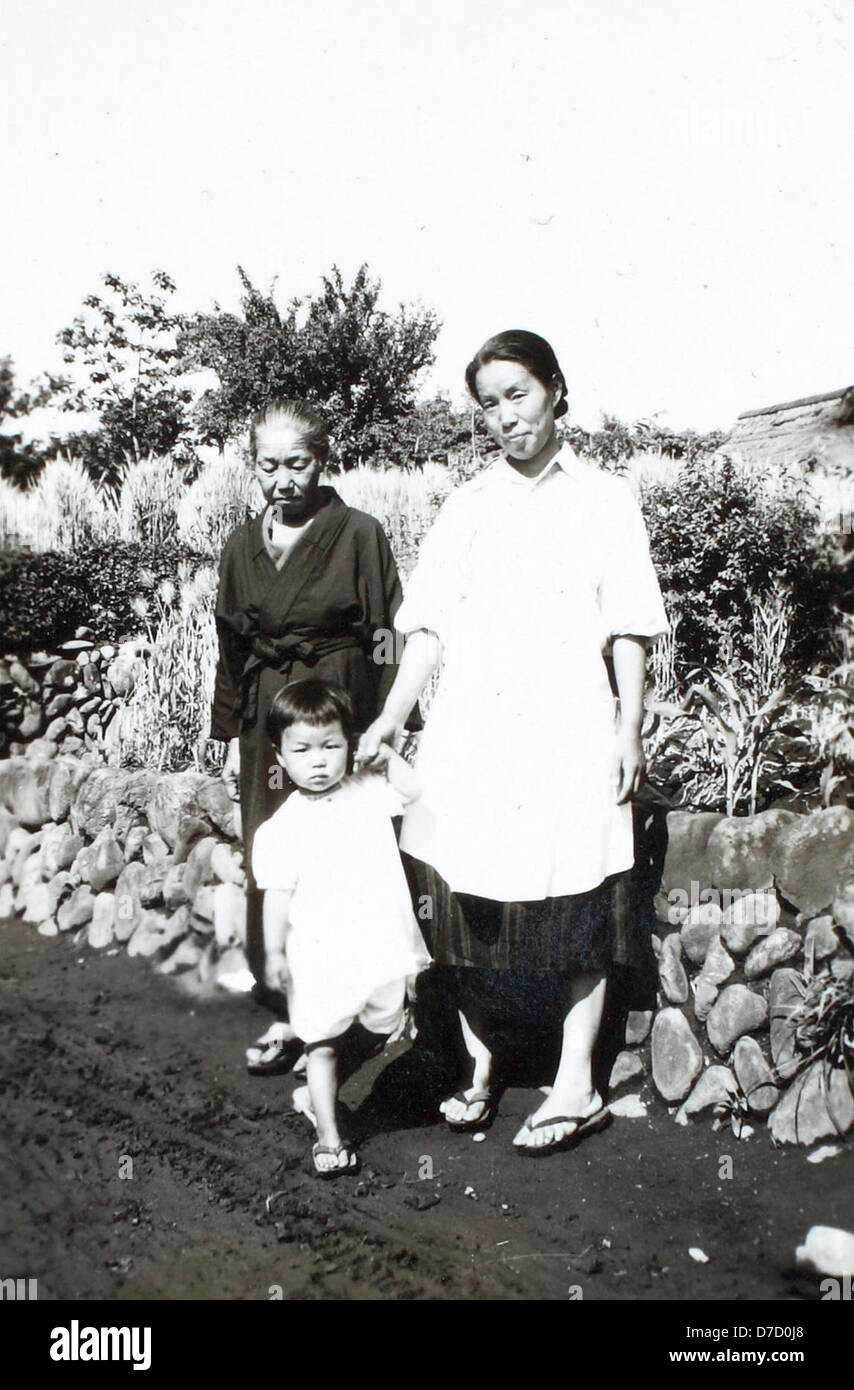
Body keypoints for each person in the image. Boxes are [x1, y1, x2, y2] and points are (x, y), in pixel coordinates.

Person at [358, 330, 668, 1155]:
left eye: (518, 394)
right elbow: (425, 628)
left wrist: (628, 724)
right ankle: (482, 1065)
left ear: (556, 390)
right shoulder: (469, 505)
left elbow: (630, 625)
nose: (504, 416)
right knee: (458, 889)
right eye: (488, 404)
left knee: (578, 896)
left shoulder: (607, 497)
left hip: (569, 723)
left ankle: (576, 1085)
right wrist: (392, 715)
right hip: (477, 729)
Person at [210, 398, 416, 1073]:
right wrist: (229, 719)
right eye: (268, 466)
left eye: (297, 464)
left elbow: (387, 629)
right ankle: (294, 1014)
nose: (282, 480)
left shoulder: (358, 532)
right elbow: (230, 639)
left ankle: (358, 1017)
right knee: (278, 857)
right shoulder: (242, 544)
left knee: (352, 865)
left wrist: (390, 721)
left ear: (322, 460)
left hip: (339, 711)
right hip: (272, 723)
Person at [252, 678, 430, 1177]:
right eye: (302, 750)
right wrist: (274, 955)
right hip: (319, 952)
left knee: (383, 1022)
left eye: (331, 746)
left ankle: (315, 1090)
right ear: (280, 755)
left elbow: (415, 791)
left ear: (348, 745)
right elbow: (276, 897)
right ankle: (329, 1134)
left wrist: (387, 754)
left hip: (378, 944)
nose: (318, 761)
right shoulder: (280, 830)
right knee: (322, 1038)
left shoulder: (367, 791)